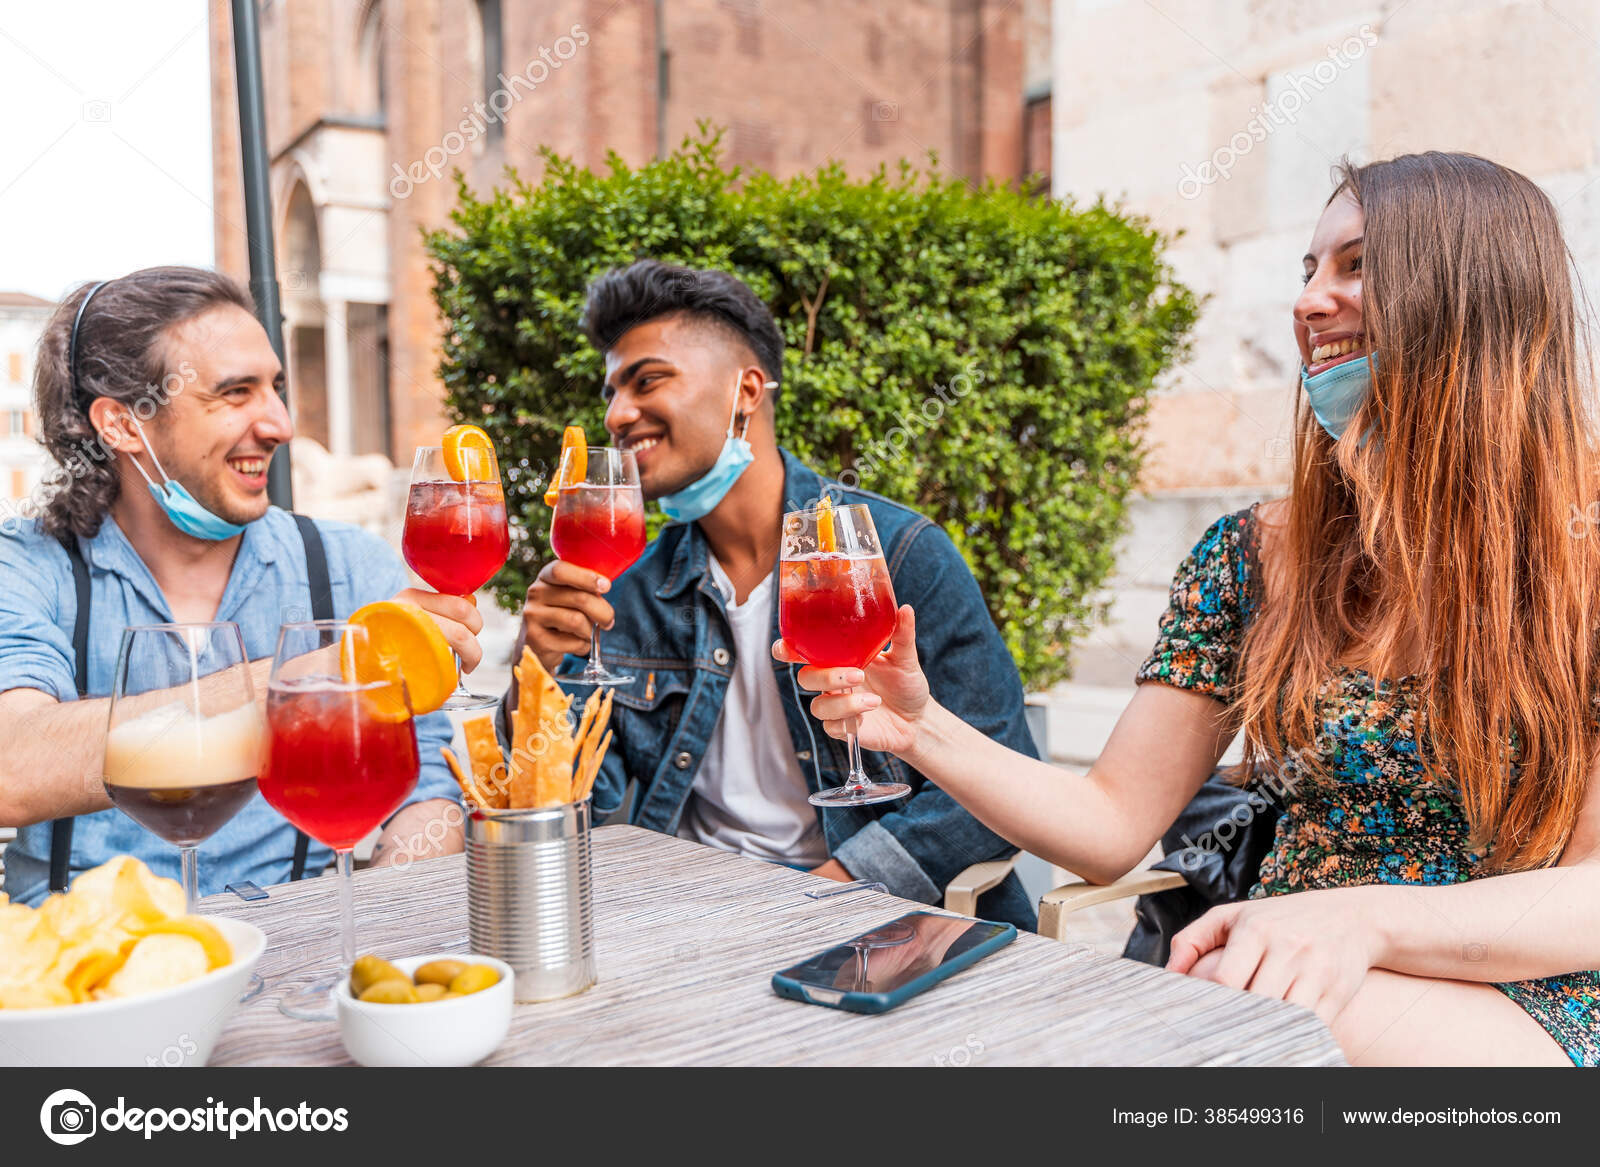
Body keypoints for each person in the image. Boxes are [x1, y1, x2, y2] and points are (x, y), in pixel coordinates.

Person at [777, 153, 1600, 1066]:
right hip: (1280, 979)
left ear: (1473, 295)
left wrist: (1355, 924)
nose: (1310, 301)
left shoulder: (1585, 553)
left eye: (1356, 265)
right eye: (1308, 269)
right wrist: (920, 726)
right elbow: (1112, 821)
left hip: (1523, 993)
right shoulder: (1253, 557)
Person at [509, 259, 1037, 928]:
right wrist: (535, 679)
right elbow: (577, 804)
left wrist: (820, 892)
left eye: (646, 381)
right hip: (691, 918)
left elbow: (1005, 783)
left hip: (874, 921)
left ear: (746, 391)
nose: (616, 414)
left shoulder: (896, 557)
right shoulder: (629, 593)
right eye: (611, 390)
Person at [0, 267, 477, 906]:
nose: (279, 423)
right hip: (93, 980)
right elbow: (14, 766)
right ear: (120, 424)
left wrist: (368, 923)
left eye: (275, 388)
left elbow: (428, 798)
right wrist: (333, 669)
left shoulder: (348, 566)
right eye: (235, 393)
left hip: (295, 970)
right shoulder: (28, 566)